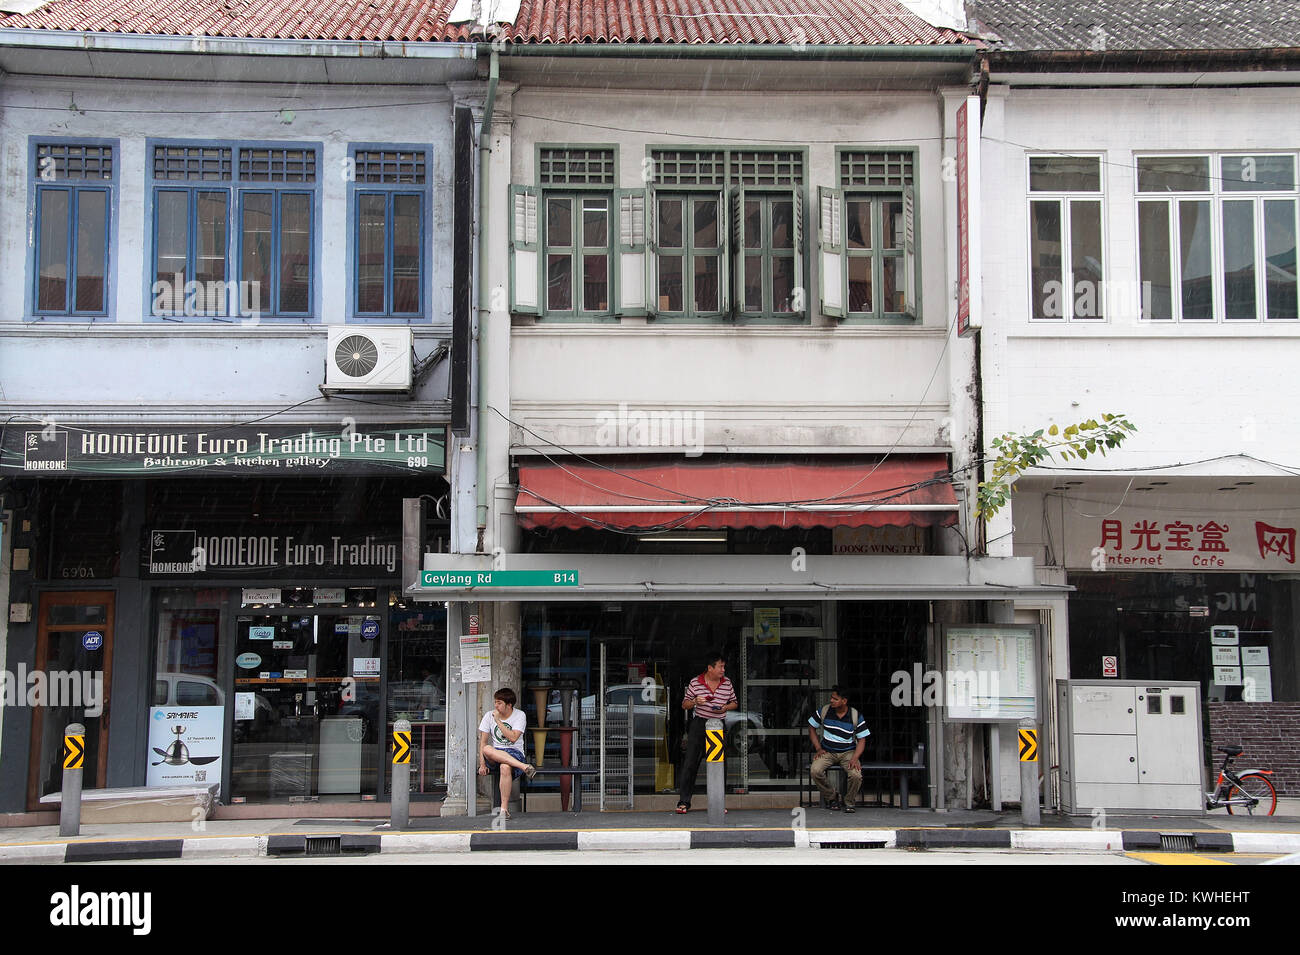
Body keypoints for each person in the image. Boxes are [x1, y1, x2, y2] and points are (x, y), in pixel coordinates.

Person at [676, 651, 738, 813]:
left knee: (719, 763)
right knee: (690, 762)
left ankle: (718, 802)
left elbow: (734, 703)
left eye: (724, 667)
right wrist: (696, 701)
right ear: (710, 668)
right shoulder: (696, 682)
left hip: (718, 725)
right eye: (720, 667)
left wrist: (724, 707)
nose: (723, 670)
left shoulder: (727, 683)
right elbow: (685, 704)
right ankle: (684, 801)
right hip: (700, 724)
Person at [808, 686, 870, 812]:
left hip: (848, 752)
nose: (831, 700)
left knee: (856, 775)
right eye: (831, 697)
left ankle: (849, 802)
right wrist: (818, 748)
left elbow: (862, 739)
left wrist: (855, 757)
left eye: (835, 699)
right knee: (815, 770)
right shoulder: (824, 711)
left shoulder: (855, 715)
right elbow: (811, 727)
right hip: (827, 751)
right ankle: (832, 797)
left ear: (844, 701)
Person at [477, 687, 535, 818]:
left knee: (505, 766)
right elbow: (483, 742)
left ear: (509, 705)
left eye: (499, 703)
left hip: (514, 752)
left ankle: (503, 810)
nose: (495, 706)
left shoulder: (520, 715)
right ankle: (524, 767)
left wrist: (498, 721)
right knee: (487, 749)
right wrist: (482, 764)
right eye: (495, 702)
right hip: (495, 753)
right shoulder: (488, 716)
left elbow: (513, 738)